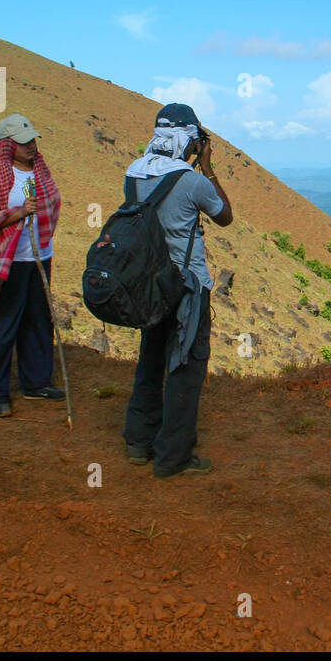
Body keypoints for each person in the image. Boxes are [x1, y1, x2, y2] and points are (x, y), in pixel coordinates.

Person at [122, 103, 233, 477]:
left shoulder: (134, 174)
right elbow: (224, 216)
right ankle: (174, 455)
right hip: (188, 284)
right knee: (186, 364)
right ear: (190, 138)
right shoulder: (192, 180)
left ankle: (139, 441)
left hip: (150, 282)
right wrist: (206, 164)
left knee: (151, 358)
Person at [0, 114, 64, 418]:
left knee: (38, 320)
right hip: (8, 260)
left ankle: (36, 383)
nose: (31, 147)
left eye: (33, 141)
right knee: (5, 323)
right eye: (24, 143)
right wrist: (20, 212)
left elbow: (52, 204)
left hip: (39, 258)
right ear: (8, 146)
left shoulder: (39, 170)